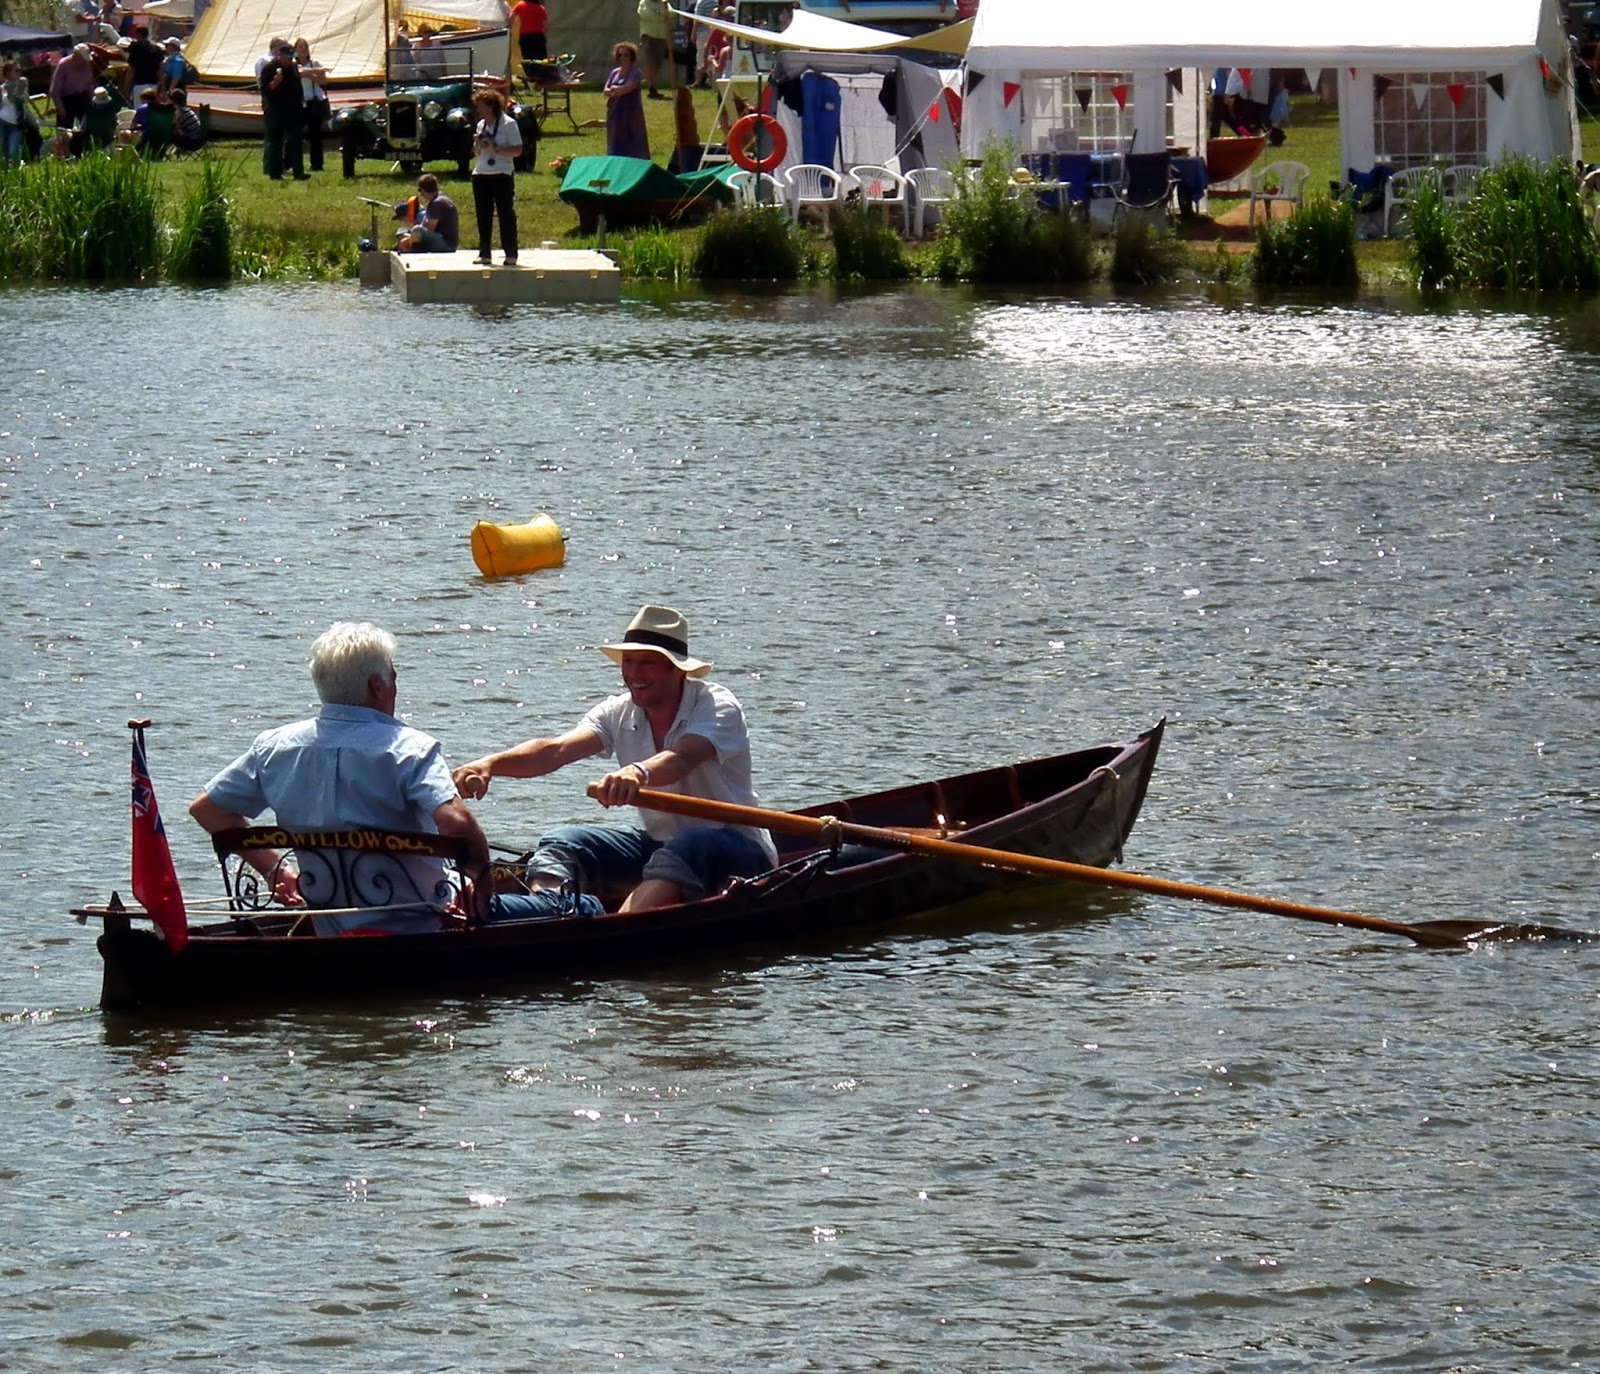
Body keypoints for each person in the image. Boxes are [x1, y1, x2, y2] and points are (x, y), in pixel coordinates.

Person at [189, 622, 581, 930]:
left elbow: (208, 811)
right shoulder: (409, 748)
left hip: (328, 919)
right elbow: (457, 824)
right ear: (378, 684)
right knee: (583, 904)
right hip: (421, 921)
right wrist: (478, 884)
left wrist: (278, 870)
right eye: (394, 676)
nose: (395, 685)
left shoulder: (274, 746)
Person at [453, 605, 777, 913]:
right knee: (563, 841)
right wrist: (489, 765)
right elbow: (555, 751)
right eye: (628, 662)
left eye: (647, 663)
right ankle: (548, 912)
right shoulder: (618, 711)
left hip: (740, 849)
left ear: (677, 670)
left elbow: (682, 758)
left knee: (690, 846)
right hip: (660, 845)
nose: (634, 673)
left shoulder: (716, 704)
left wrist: (637, 773)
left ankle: (610, 932)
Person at [469, 88, 520, 265]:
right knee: (483, 215)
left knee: (506, 214)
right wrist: (477, 144)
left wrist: (496, 148)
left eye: (482, 106)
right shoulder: (481, 125)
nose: (479, 110)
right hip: (481, 173)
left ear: (492, 106)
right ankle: (484, 253)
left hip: (502, 174)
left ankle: (511, 254)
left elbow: (517, 150)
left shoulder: (508, 124)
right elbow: (476, 153)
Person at [258, 39, 307, 179]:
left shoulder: (293, 68)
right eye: (286, 57)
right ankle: (275, 173)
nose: (288, 60)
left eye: (290, 57)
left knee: (296, 141)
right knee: (275, 142)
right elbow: (265, 89)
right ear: (279, 55)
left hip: (293, 110)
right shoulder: (269, 68)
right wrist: (275, 82)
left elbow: (297, 87)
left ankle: (299, 172)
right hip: (275, 110)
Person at [603, 41, 648, 160]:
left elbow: (628, 88)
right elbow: (606, 90)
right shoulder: (614, 72)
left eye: (625, 55)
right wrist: (614, 90)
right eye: (620, 55)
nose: (622, 58)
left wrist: (616, 89)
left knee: (633, 141)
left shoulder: (635, 73)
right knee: (615, 140)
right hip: (615, 111)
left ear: (631, 56)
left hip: (630, 113)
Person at [395, 172, 459, 252]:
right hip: (438, 239)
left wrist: (408, 240)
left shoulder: (438, 203)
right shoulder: (434, 202)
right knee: (403, 231)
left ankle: (412, 250)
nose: (420, 194)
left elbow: (431, 228)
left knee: (416, 230)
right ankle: (414, 248)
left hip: (446, 244)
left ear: (424, 189)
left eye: (419, 190)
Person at [294, 37, 329, 172]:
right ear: (295, 50)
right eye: (300, 47)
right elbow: (297, 75)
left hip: (314, 102)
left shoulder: (315, 63)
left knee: (316, 135)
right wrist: (313, 73)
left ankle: (317, 164)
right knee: (296, 134)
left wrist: (310, 74)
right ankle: (290, 162)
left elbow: (323, 81)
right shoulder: (293, 64)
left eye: (305, 47)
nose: (303, 49)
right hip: (299, 102)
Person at [50, 43, 99, 135]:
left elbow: (89, 84)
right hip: (67, 99)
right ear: (75, 55)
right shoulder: (63, 64)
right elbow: (55, 90)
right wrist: (60, 107)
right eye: (82, 58)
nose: (84, 61)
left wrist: (93, 100)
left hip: (83, 96)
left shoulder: (87, 63)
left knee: (87, 127)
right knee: (64, 130)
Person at [636, 0, 668, 98]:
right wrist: (661, 14)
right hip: (649, 36)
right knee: (651, 62)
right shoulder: (644, 3)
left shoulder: (664, 3)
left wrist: (661, 13)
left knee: (658, 63)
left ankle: (652, 84)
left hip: (661, 35)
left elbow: (671, 14)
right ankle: (652, 88)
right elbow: (646, 15)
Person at [121, 23, 162, 101]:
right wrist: (162, 89)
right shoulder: (157, 49)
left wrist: (126, 89)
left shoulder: (136, 49)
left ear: (138, 35)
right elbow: (160, 71)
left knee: (140, 110)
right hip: (153, 85)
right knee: (151, 110)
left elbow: (131, 71)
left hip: (140, 85)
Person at [0, 60, 28, 163]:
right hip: (3, 121)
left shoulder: (22, 82)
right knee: (4, 152)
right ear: (8, 72)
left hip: (16, 124)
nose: (19, 72)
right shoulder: (2, 87)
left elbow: (24, 99)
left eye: (20, 70)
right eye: (16, 70)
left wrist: (12, 90)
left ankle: (16, 173)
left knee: (14, 151)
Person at [509, 0, 548, 72]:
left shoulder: (521, 5)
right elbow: (545, 26)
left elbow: (511, 18)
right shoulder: (541, 8)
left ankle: (531, 75)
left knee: (527, 58)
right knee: (541, 58)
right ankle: (543, 76)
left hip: (525, 36)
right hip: (538, 36)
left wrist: (509, 29)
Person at [169, 85, 203, 151]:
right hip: (198, 138)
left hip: (191, 141)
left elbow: (174, 125)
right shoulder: (186, 109)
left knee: (172, 130)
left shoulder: (178, 111)